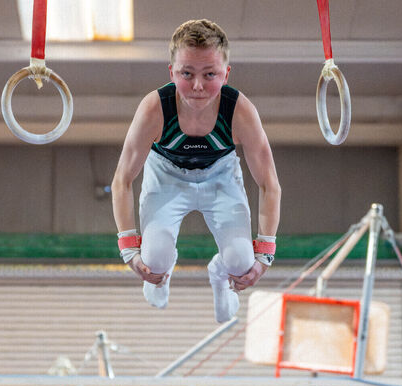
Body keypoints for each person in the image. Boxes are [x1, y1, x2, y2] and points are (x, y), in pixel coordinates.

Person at [111, 19, 281, 323]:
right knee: (154, 258)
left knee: (242, 261)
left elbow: (269, 184)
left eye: (210, 74)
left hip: (221, 178)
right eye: (187, 74)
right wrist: (129, 248)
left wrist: (265, 253)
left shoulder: (240, 112)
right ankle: (163, 271)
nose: (198, 86)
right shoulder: (155, 108)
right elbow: (122, 178)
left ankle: (221, 275)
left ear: (226, 74)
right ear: (172, 72)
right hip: (166, 178)